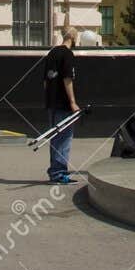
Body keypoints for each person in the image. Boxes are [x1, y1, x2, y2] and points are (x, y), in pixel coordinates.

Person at [41, 26, 80, 185]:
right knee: (64, 138)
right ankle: (59, 173)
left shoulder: (51, 53)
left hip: (51, 102)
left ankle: (54, 172)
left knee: (55, 138)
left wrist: (50, 97)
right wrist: (72, 102)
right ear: (73, 38)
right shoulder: (67, 54)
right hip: (63, 104)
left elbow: (45, 81)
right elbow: (67, 79)